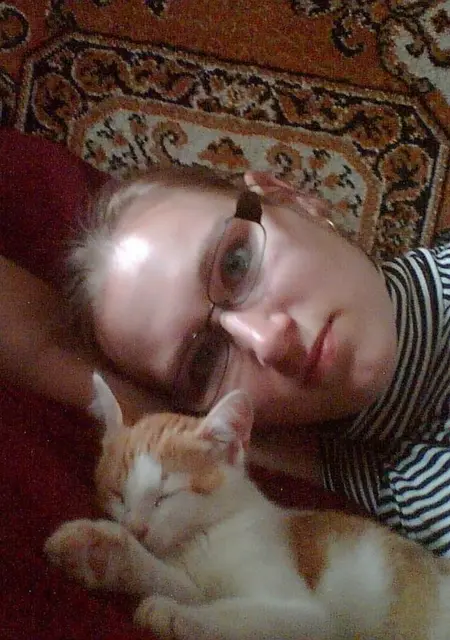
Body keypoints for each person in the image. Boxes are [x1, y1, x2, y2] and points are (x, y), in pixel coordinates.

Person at [1, 138, 450, 559]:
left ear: (292, 198)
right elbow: (41, 350)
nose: (269, 341)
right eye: (204, 363)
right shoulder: (383, 491)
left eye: (236, 263)